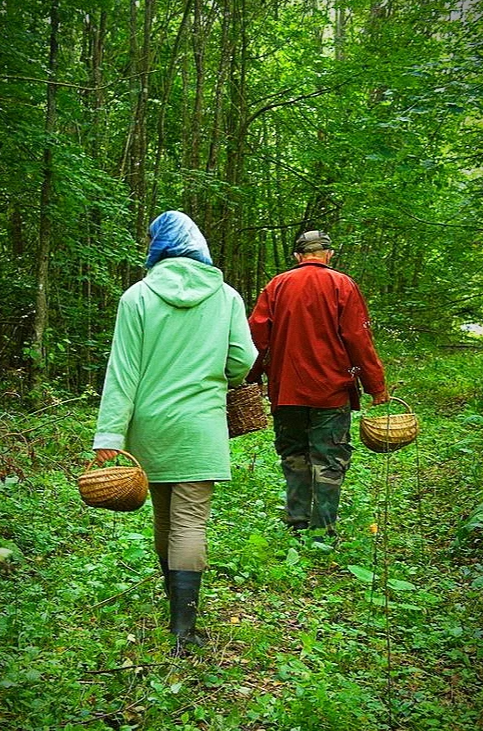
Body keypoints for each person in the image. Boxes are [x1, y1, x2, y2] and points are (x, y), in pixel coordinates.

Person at [93, 211, 257, 651]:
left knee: (164, 518)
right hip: (201, 427)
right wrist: (215, 372)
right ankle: (183, 630)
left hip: (150, 426)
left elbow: (122, 372)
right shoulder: (225, 297)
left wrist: (109, 437)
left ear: (156, 247)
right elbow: (243, 360)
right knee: (189, 522)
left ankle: (174, 606)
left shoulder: (138, 297)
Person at [247, 230, 388, 541]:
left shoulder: (277, 285)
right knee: (329, 460)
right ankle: (323, 530)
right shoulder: (342, 284)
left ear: (298, 256)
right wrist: (374, 385)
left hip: (286, 390)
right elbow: (358, 339)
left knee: (294, 455)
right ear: (329, 254)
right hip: (332, 389)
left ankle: (297, 523)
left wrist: (251, 377)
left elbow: (257, 337)